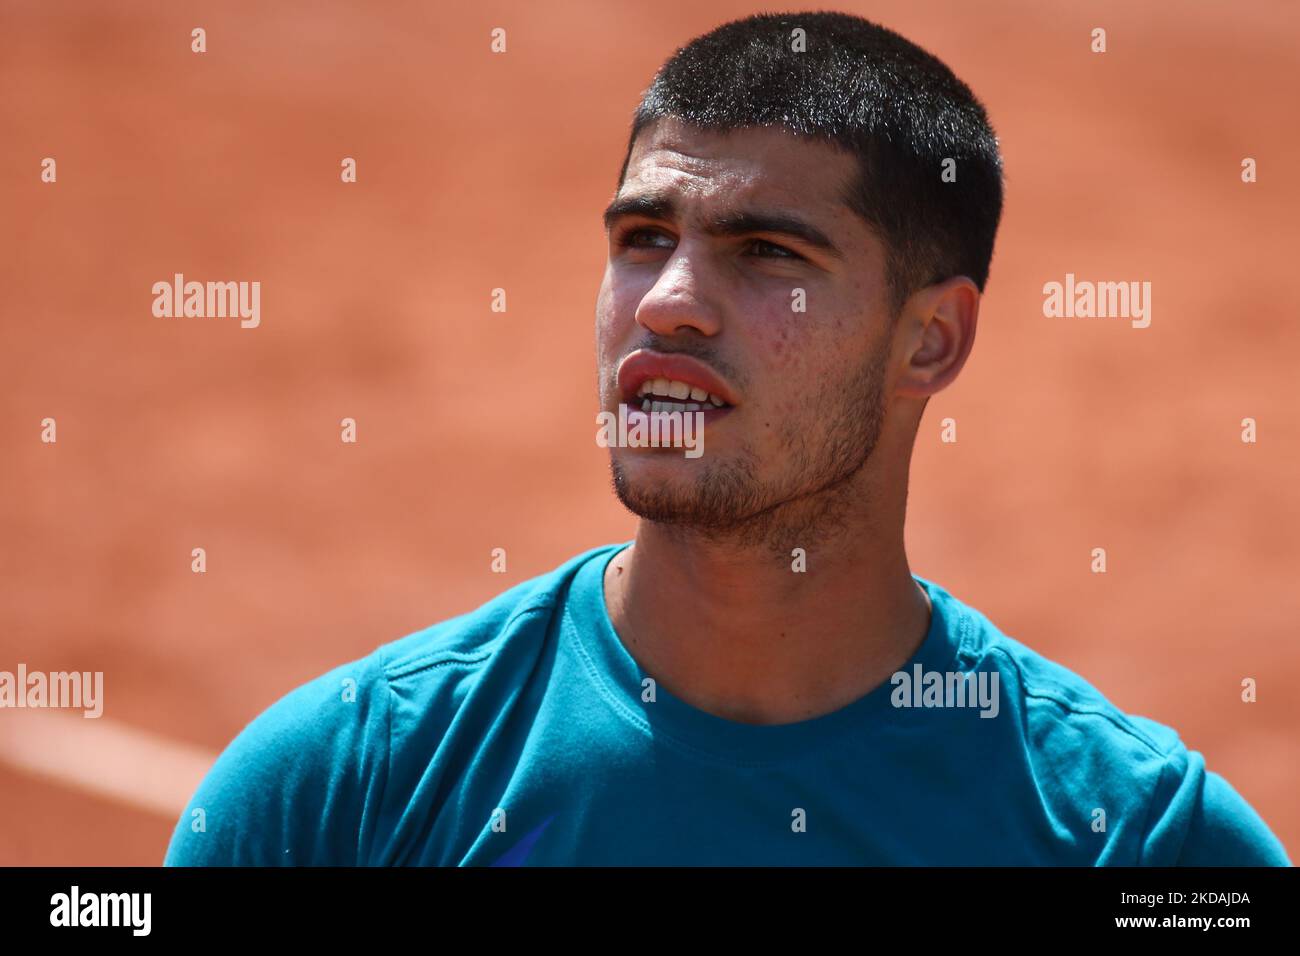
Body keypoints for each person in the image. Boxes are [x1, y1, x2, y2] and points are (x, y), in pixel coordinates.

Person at [165, 11, 1289, 866]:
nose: (667, 303)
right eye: (643, 237)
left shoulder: (1128, 841)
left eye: (766, 253)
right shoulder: (336, 792)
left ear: (931, 341)